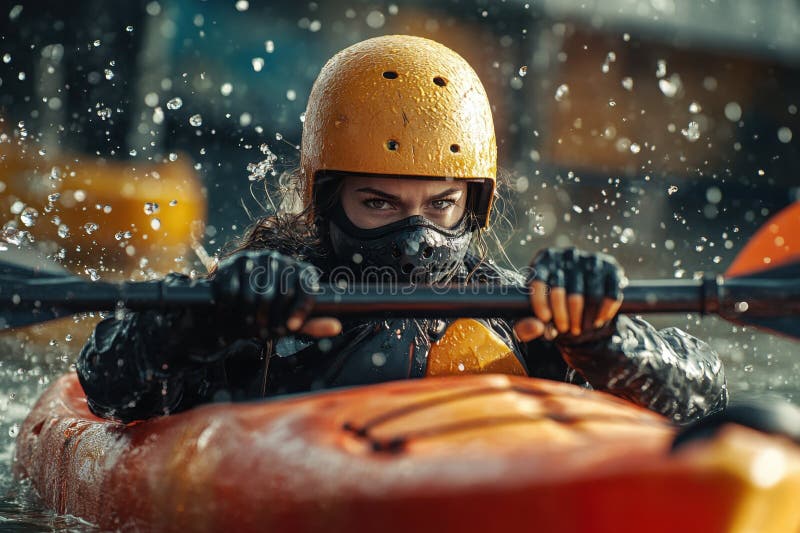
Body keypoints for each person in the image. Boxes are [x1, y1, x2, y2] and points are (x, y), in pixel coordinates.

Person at [77, 35, 727, 424]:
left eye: (441, 204)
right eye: (380, 204)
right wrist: (210, 317)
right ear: (324, 199)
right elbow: (105, 386)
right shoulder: (260, 303)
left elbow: (706, 397)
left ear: (475, 204)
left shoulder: (520, 311)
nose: (417, 238)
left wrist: (601, 335)